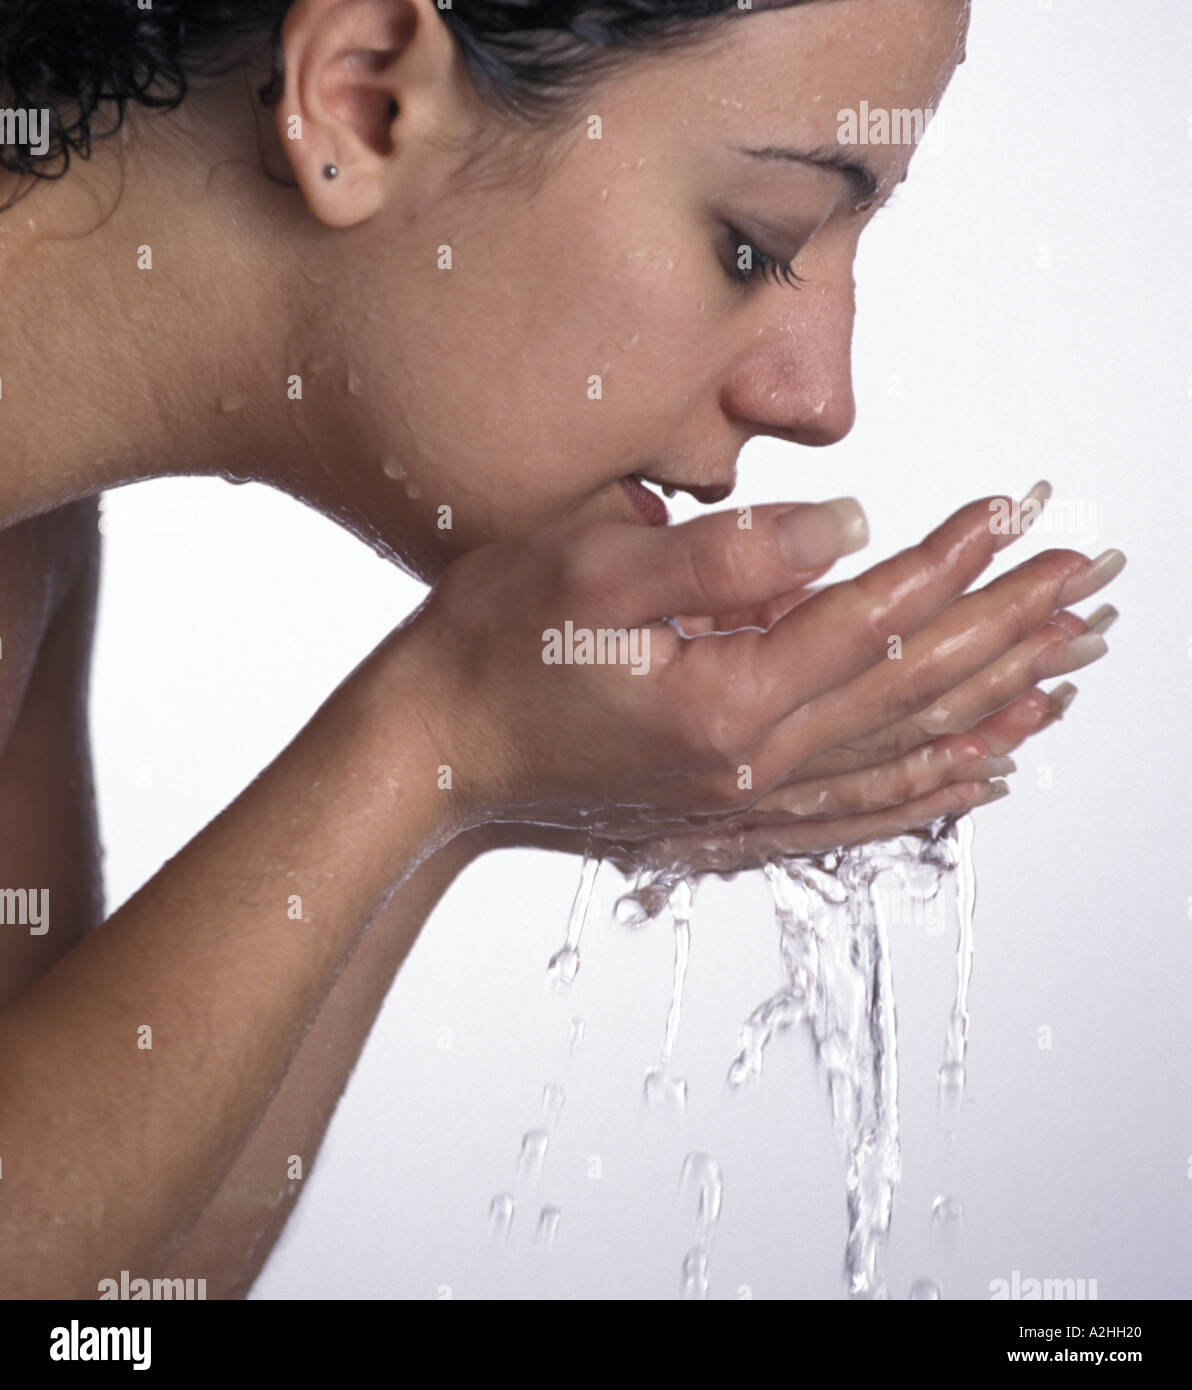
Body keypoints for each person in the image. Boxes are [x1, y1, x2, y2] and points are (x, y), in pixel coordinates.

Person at [0, 0, 1122, 1298]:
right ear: (364, 98)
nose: (821, 397)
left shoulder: (30, 541)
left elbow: (104, 1288)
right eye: (755, 246)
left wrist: (467, 785)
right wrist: (430, 739)